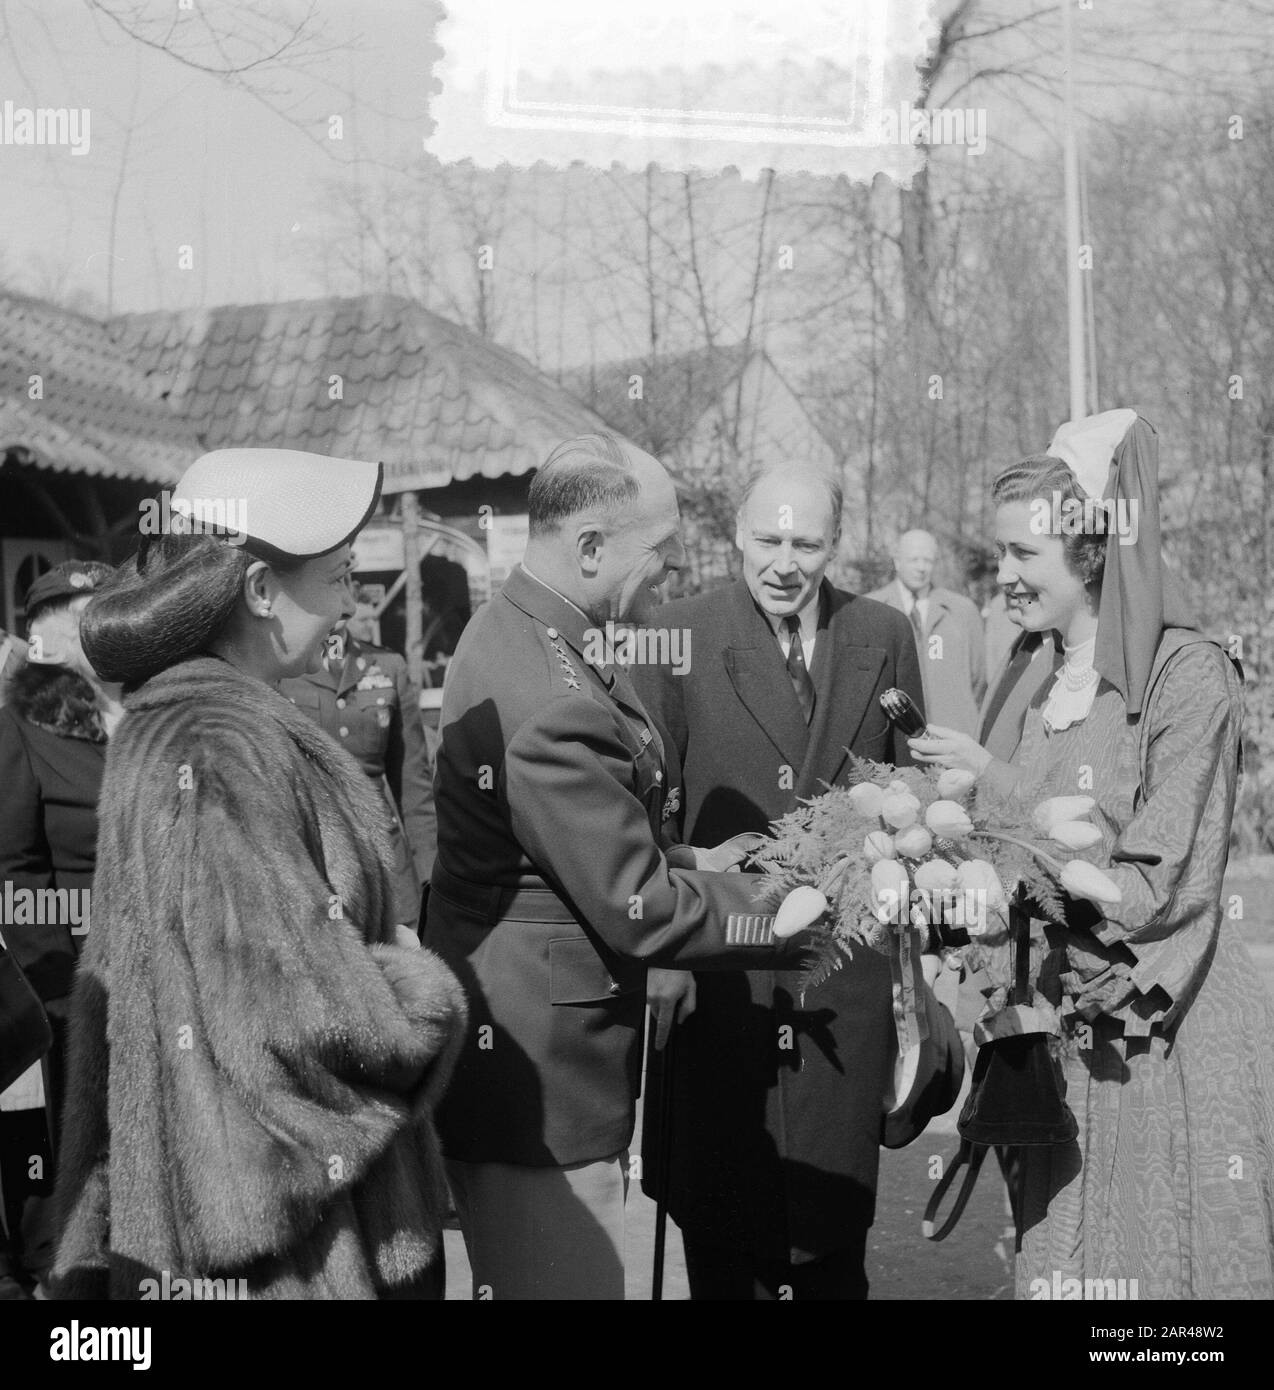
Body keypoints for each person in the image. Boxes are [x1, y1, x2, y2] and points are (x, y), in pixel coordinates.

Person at [49, 448, 467, 1301]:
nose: (351, 601)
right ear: (261, 591)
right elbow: (290, 1012)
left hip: (211, 1225)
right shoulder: (223, 747)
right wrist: (419, 1011)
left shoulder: (183, 724)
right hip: (295, 1251)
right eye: (340, 576)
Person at [423, 432, 820, 1301]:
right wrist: (801, 912)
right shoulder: (548, 692)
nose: (671, 576)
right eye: (660, 555)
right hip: (543, 1079)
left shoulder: (537, 629)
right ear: (592, 546)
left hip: (542, 1051)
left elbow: (587, 841)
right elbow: (633, 901)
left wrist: (686, 858)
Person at [919, 411, 1274, 1298]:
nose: (1002, 579)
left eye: (1023, 558)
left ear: (1091, 552)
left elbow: (1152, 884)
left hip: (1158, 1033)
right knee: (1067, 1275)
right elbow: (1012, 862)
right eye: (998, 556)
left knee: (1152, 1291)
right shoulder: (1035, 680)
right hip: (1055, 1040)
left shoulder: (1188, 677)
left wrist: (994, 784)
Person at [632, 463, 961, 1301]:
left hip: (840, 985)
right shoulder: (677, 634)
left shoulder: (880, 631)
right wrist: (666, 955)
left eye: (806, 543)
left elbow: (909, 798)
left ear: (834, 545)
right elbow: (645, 813)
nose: (785, 561)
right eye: (769, 539)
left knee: (829, 1233)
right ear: (738, 534)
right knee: (724, 1227)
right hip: (719, 978)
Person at [0, 561, 119, 1298]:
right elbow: (16, 871)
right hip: (69, 980)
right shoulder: (22, 726)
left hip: (154, 969)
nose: (89, 625)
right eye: (73, 613)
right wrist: (64, 990)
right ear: (40, 633)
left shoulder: (136, 708)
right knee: (63, 1152)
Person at [280, 607, 437, 934]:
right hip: (318, 871)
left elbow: (415, 792)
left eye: (345, 580)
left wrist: (431, 880)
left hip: (390, 873)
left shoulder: (387, 667)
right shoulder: (283, 673)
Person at [869, 529, 986, 737]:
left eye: (928, 561)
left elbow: (979, 680)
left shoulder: (962, 610)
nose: (921, 568)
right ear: (897, 562)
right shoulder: (872, 609)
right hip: (893, 739)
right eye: (914, 560)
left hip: (952, 736)